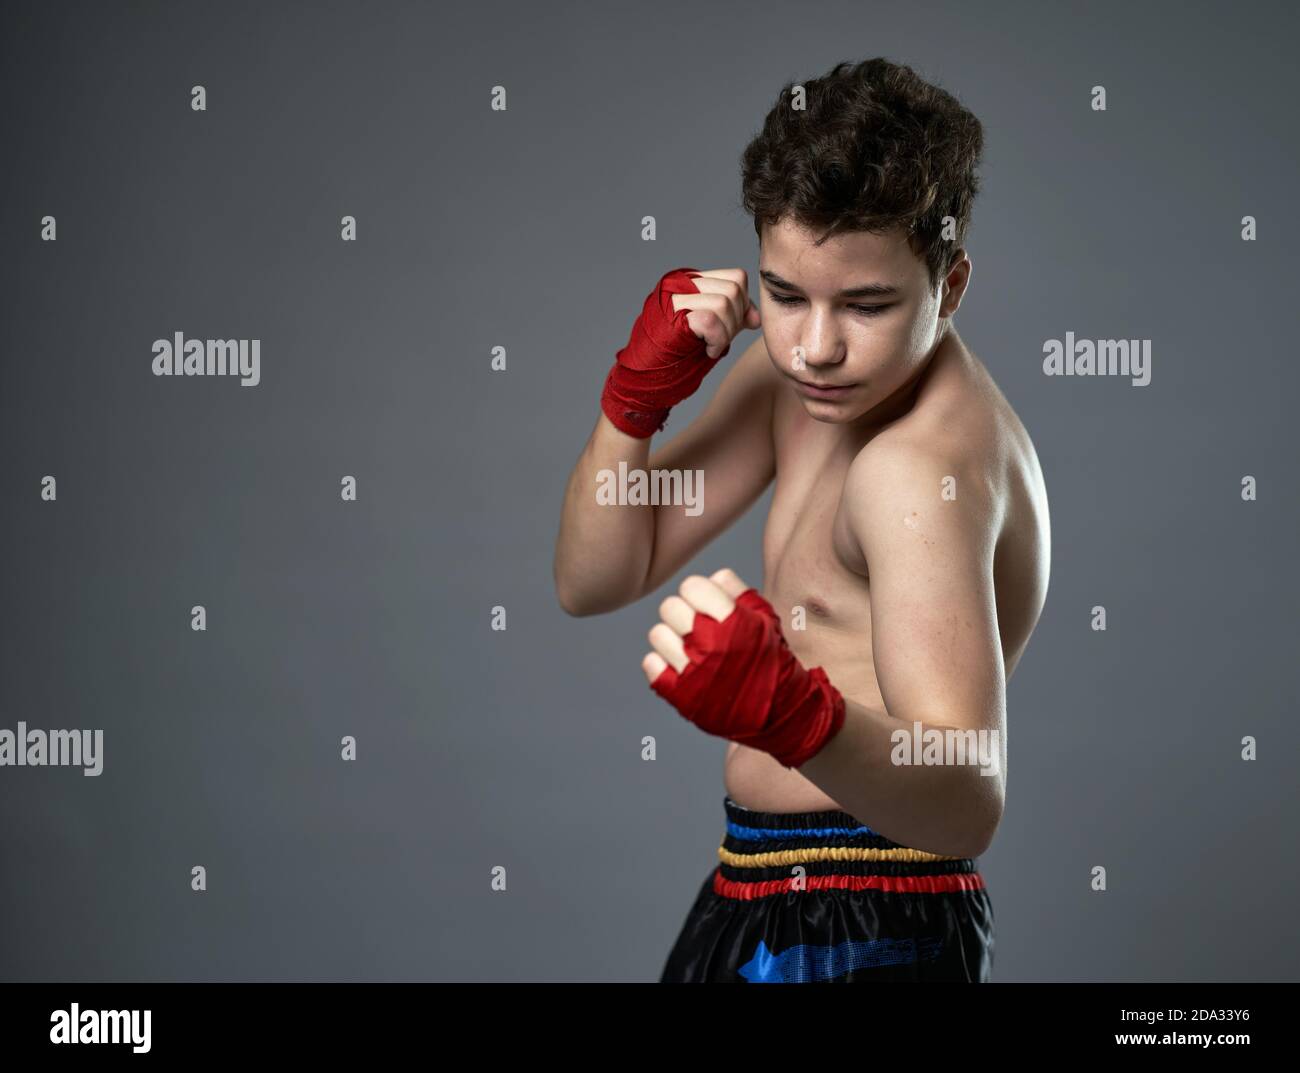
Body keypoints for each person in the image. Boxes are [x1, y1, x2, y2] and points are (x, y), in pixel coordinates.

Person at [553, 57, 1050, 982]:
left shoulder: (918, 470)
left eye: (865, 305)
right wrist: (631, 405)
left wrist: (793, 711)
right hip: (753, 883)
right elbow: (594, 578)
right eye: (785, 295)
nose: (815, 347)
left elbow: (968, 799)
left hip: (872, 913)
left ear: (949, 285)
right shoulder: (795, 386)